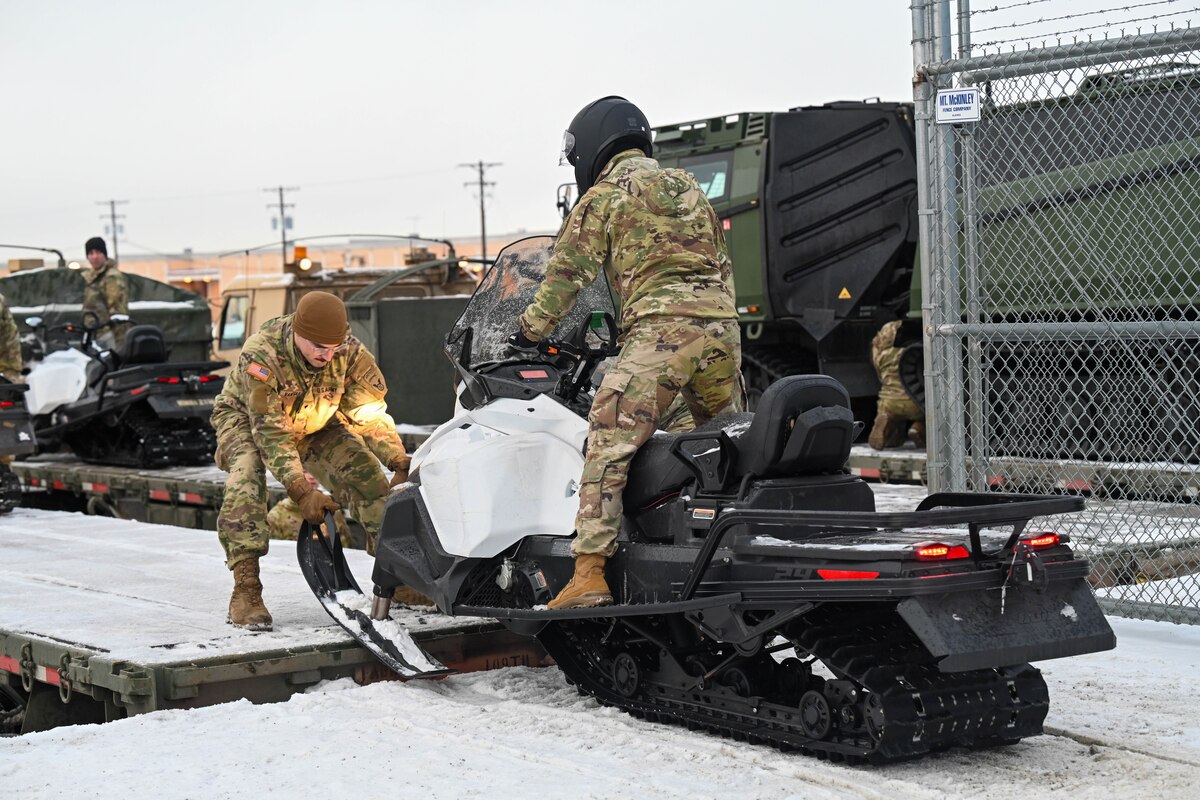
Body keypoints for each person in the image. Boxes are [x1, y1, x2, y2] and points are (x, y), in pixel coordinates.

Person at [508, 96, 744, 610]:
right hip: (722, 331)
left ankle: (589, 573)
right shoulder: (688, 187)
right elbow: (722, 263)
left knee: (609, 442)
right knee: (722, 444)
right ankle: (731, 544)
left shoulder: (605, 195)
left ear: (592, 148)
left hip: (662, 333)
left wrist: (529, 331)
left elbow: (566, 275)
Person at [210, 291, 412, 630]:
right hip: (246, 420)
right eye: (319, 347)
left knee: (368, 479)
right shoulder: (262, 354)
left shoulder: (346, 351)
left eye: (333, 347)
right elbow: (272, 436)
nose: (327, 354)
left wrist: (397, 460)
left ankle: (400, 579)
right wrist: (302, 491)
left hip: (316, 423)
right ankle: (246, 590)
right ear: (297, 332)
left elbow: (369, 412)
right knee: (246, 476)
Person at [868, 319, 925, 450]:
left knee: (890, 417)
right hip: (918, 401)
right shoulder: (918, 348)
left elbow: (879, 375)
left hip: (889, 402)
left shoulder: (880, 355)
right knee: (933, 413)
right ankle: (919, 428)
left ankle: (887, 426)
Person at [82, 237, 129, 349]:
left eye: (98, 252)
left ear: (104, 254)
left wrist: (118, 342)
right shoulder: (92, 278)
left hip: (108, 335)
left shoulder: (111, 277)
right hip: (95, 333)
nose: (95, 257)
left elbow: (118, 311)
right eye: (91, 253)